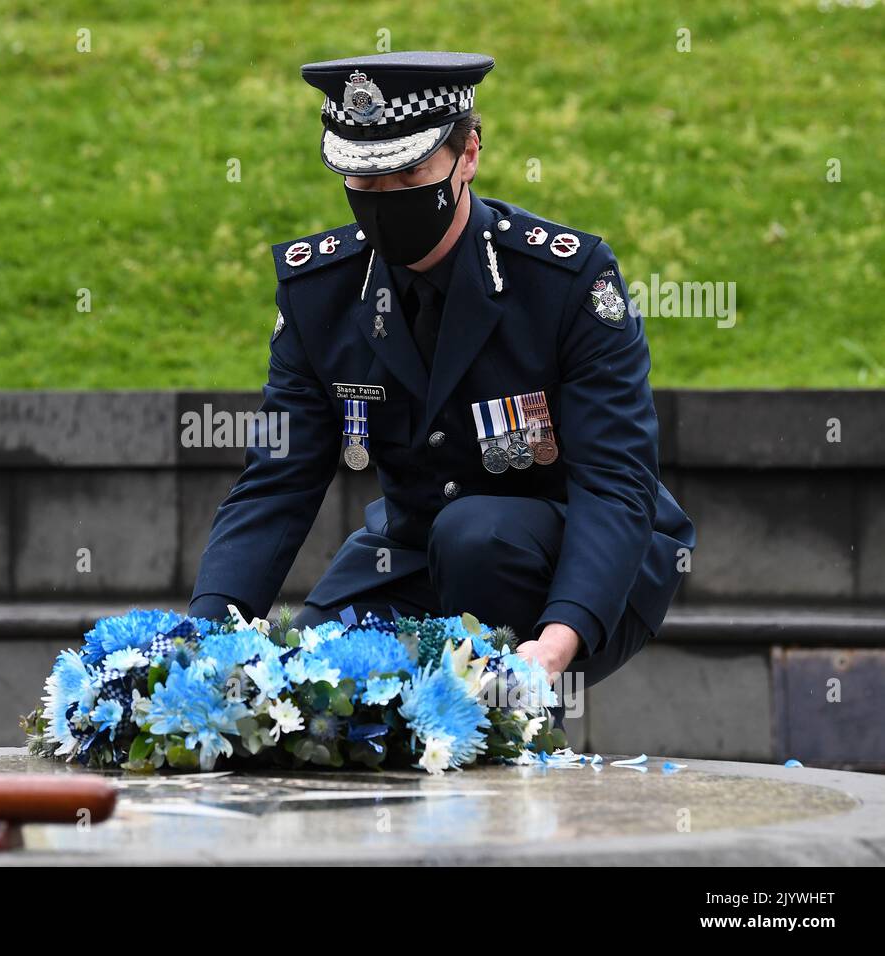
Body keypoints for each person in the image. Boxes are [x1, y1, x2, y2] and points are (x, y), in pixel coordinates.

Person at [189, 51, 694, 690]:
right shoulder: (322, 292)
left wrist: (555, 646)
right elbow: (276, 481)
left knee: (475, 538)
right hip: (411, 552)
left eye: (406, 180)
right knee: (315, 689)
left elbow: (616, 481)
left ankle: (509, 732)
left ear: (469, 155)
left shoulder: (563, 280)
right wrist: (202, 645)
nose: (382, 205)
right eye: (363, 185)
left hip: (582, 559)